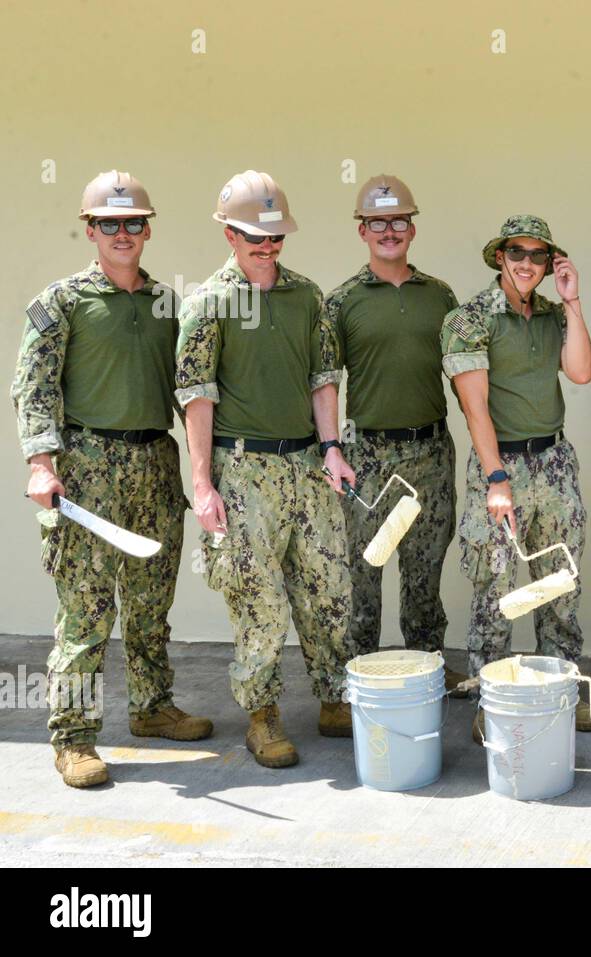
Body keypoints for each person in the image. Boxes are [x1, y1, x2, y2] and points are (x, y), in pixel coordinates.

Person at [11, 170, 211, 789]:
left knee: (151, 602)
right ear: (90, 228)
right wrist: (41, 463)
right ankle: (73, 736)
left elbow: (192, 390)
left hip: (154, 463)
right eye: (108, 224)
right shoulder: (62, 301)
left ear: (147, 229)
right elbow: (33, 387)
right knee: (86, 611)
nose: (122, 234)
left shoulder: (169, 305)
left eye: (133, 223)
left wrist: (209, 470)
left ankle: (152, 706)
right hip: (87, 469)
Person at [176, 170, 355, 769]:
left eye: (275, 236)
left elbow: (323, 379)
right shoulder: (208, 303)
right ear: (229, 232)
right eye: (255, 235)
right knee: (261, 601)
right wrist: (202, 483)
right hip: (243, 466)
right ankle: (263, 715)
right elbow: (197, 398)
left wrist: (331, 447)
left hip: (306, 463)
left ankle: (335, 698)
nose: (267, 246)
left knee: (329, 588)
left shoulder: (308, 297)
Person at [441, 215, 591, 740]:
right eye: (518, 253)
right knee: (498, 590)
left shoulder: (553, 315)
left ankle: (563, 694)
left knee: (559, 583)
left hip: (552, 463)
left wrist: (573, 302)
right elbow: (475, 409)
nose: (527, 264)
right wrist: (496, 478)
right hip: (501, 464)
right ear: (500, 258)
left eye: (539, 256)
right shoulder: (470, 319)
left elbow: (580, 372)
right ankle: (493, 702)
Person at [324, 175, 467, 693]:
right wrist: (331, 449)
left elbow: (465, 371)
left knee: (424, 566)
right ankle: (357, 676)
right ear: (363, 230)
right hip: (369, 456)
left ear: (412, 227)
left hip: (430, 448)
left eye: (399, 221)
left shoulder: (440, 295)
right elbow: (323, 382)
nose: (390, 231)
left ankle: (428, 664)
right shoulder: (342, 302)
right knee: (364, 569)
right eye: (378, 222)